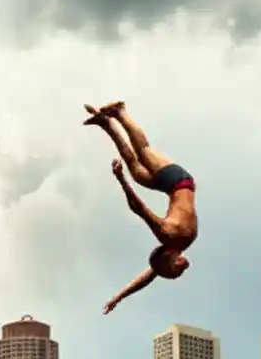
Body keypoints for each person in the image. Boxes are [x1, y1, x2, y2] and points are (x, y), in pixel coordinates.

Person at [83, 101, 198, 314]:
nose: (181, 269)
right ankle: (114, 117)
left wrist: (121, 180)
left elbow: (138, 207)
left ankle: (112, 120)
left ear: (168, 259)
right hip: (178, 182)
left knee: (139, 164)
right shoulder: (179, 243)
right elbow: (153, 274)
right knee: (141, 156)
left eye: (175, 270)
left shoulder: (168, 235)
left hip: (175, 182)